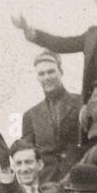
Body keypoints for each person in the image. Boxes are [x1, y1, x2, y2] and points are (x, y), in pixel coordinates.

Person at [20, 50, 82, 185]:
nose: (46, 77)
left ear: (61, 72)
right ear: (37, 77)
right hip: (47, 185)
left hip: (80, 182)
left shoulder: (81, 103)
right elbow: (26, 154)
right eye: (41, 74)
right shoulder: (30, 115)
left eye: (51, 71)